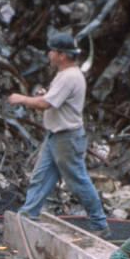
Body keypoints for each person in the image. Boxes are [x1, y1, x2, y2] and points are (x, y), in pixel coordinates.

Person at [7, 30, 108, 236]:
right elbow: (53, 100)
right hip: (56, 136)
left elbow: (44, 105)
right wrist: (48, 95)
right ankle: (27, 216)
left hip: (66, 138)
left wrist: (22, 99)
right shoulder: (65, 75)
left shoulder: (69, 76)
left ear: (62, 55)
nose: (49, 54)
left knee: (78, 181)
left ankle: (100, 225)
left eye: (52, 51)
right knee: (41, 176)